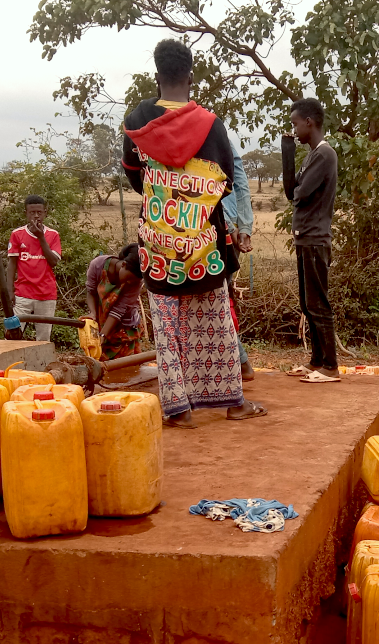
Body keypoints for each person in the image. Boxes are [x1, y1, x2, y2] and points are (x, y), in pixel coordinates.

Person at [121, 38, 266, 427]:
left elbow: (135, 177)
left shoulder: (137, 120)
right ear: (190, 77)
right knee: (216, 319)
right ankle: (233, 403)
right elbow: (223, 182)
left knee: (167, 325)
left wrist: (165, 202)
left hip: (157, 239)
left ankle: (179, 410)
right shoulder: (210, 125)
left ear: (157, 76)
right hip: (204, 240)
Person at [281, 98, 340, 383]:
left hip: (316, 238)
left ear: (309, 122)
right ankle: (317, 361)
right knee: (307, 303)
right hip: (305, 237)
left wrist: (297, 190)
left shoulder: (324, 155)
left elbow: (299, 194)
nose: (293, 129)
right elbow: (290, 190)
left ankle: (329, 365)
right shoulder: (311, 154)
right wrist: (287, 151)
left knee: (318, 303)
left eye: (295, 123)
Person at [221, 140, 255, 380]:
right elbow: (240, 181)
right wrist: (243, 225)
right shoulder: (218, 132)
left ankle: (240, 364)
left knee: (216, 302)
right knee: (220, 300)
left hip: (216, 230)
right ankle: (239, 364)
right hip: (228, 227)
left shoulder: (210, 133)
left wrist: (236, 225)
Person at [8, 194, 61, 342]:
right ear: (26, 213)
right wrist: (10, 291)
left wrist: (41, 237)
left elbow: (53, 261)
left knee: (43, 339)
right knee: (12, 335)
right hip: (22, 293)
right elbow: (11, 264)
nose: (36, 216)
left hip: (46, 294)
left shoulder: (52, 235)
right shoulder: (17, 234)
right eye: (32, 212)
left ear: (45, 212)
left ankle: (39, 365)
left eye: (39, 212)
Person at [83, 243, 144, 360]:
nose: (131, 282)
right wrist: (93, 314)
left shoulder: (136, 281)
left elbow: (119, 310)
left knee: (127, 369)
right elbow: (91, 291)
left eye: (134, 281)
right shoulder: (97, 265)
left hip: (124, 328)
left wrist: (103, 335)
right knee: (99, 364)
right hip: (102, 321)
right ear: (123, 265)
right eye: (130, 278)